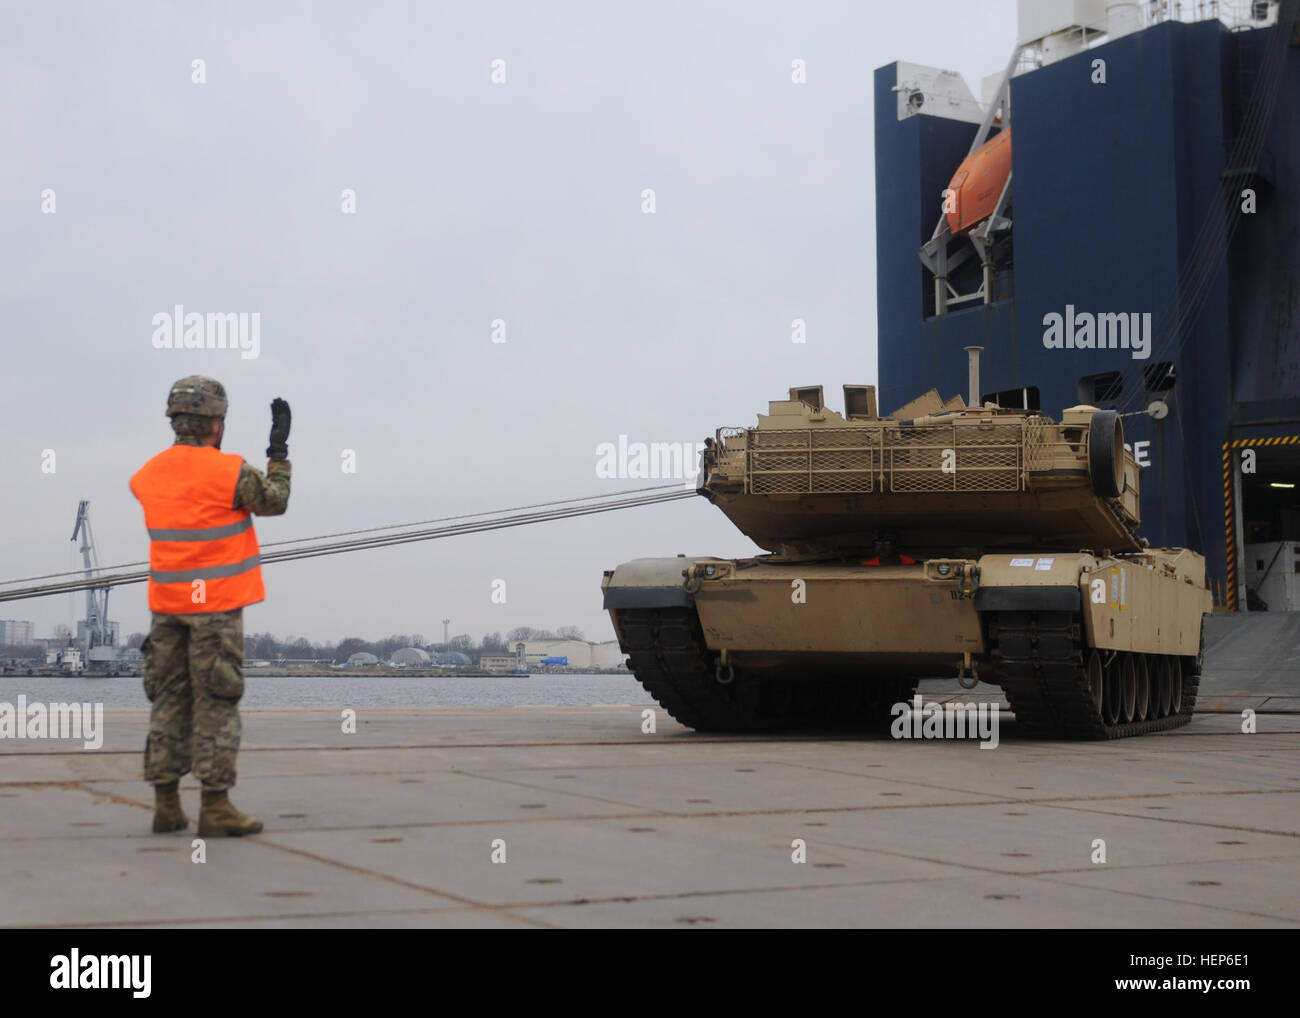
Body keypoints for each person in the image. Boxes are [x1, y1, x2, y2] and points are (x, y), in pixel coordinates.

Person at [129, 377, 291, 836]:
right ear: (216, 423)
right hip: (215, 608)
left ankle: (166, 805)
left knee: (167, 701)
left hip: (167, 607)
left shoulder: (148, 474)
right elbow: (274, 502)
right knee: (216, 702)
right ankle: (215, 808)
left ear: (175, 421)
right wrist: (278, 456)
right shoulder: (230, 471)